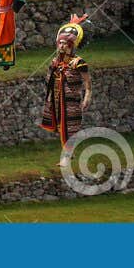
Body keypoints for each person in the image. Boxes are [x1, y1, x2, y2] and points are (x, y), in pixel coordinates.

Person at [39, 15, 92, 169]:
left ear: (71, 45)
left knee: (69, 128)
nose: (61, 46)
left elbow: (87, 82)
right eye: (60, 43)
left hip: (71, 101)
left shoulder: (78, 63)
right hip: (57, 99)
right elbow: (49, 80)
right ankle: (69, 152)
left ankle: (66, 158)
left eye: (65, 43)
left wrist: (87, 96)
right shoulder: (55, 62)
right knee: (61, 128)